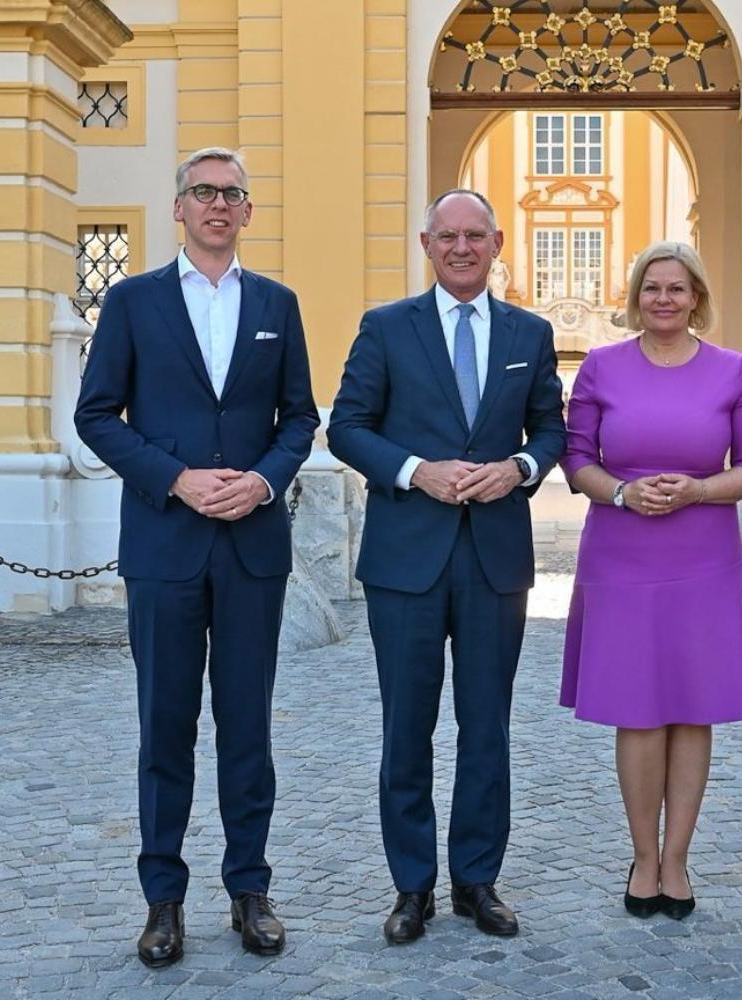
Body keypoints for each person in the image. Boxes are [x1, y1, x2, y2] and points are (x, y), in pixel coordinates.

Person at [74, 147, 318, 968]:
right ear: (179, 207)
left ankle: (250, 889)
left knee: (247, 726)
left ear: (247, 211)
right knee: (165, 727)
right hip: (164, 544)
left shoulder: (277, 304)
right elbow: (97, 415)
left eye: (232, 193)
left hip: (251, 546)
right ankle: (163, 900)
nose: (218, 203)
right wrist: (174, 479)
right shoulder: (132, 301)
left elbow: (299, 418)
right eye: (203, 191)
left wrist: (264, 481)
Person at [327, 189, 566, 945]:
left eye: (475, 236)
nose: (462, 248)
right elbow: (347, 427)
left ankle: (477, 880)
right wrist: (414, 471)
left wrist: (519, 467)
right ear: (426, 244)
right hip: (406, 557)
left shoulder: (530, 332)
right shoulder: (386, 327)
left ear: (497, 244)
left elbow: (553, 428)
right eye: (447, 236)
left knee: (486, 725)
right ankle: (412, 886)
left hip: (495, 556)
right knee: (407, 726)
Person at [558, 241, 742, 921]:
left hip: (704, 554)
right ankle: (643, 858)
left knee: (691, 707)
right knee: (637, 709)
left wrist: (700, 490)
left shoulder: (733, 371)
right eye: (651, 288)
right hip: (621, 554)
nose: (663, 299)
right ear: (635, 297)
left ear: (696, 298)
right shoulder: (600, 366)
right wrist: (624, 494)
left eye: (676, 288)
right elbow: (576, 459)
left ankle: (677, 858)